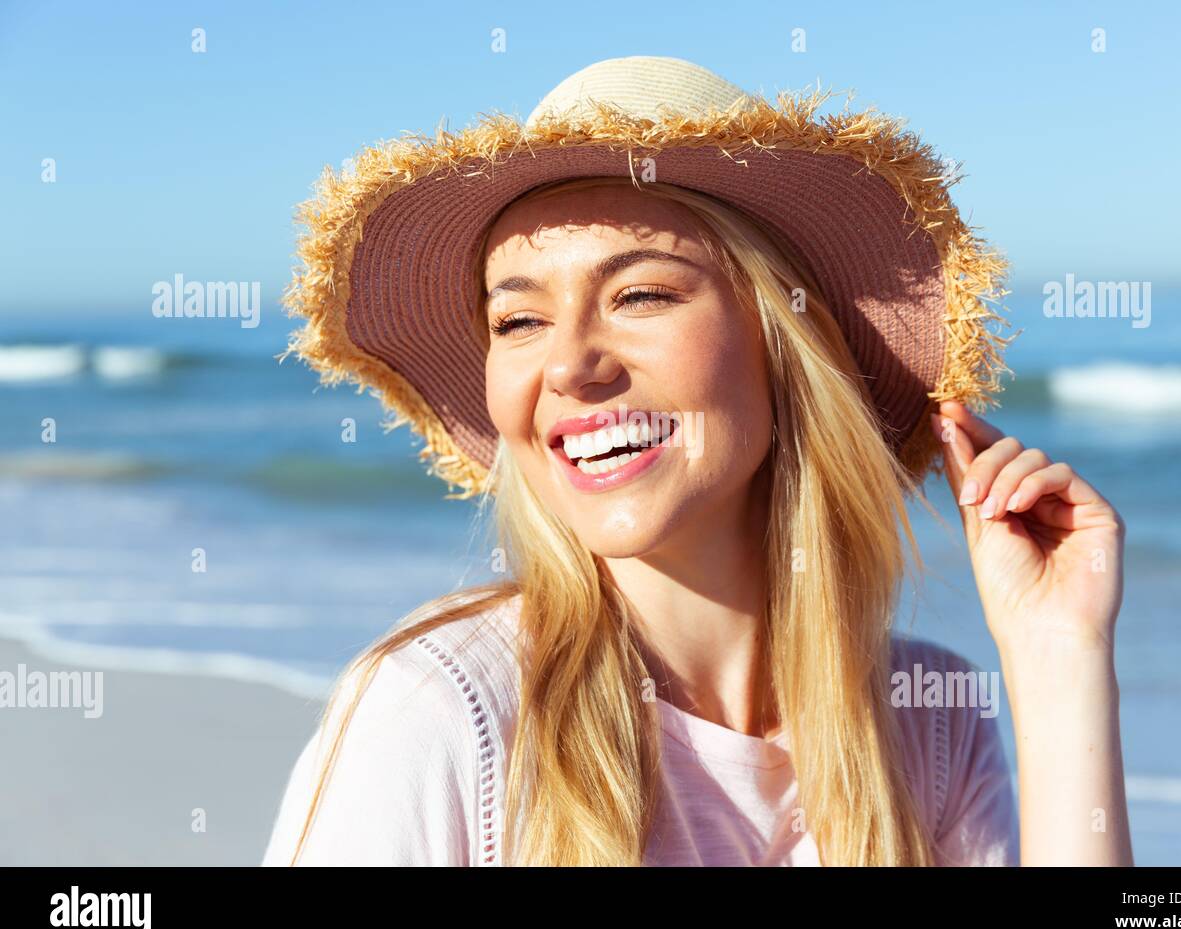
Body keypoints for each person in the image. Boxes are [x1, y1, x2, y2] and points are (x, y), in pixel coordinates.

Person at [261, 56, 1132, 866]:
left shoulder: (924, 719)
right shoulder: (443, 711)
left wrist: (1058, 656)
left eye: (639, 295)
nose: (569, 365)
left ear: (785, 342)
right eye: (518, 321)